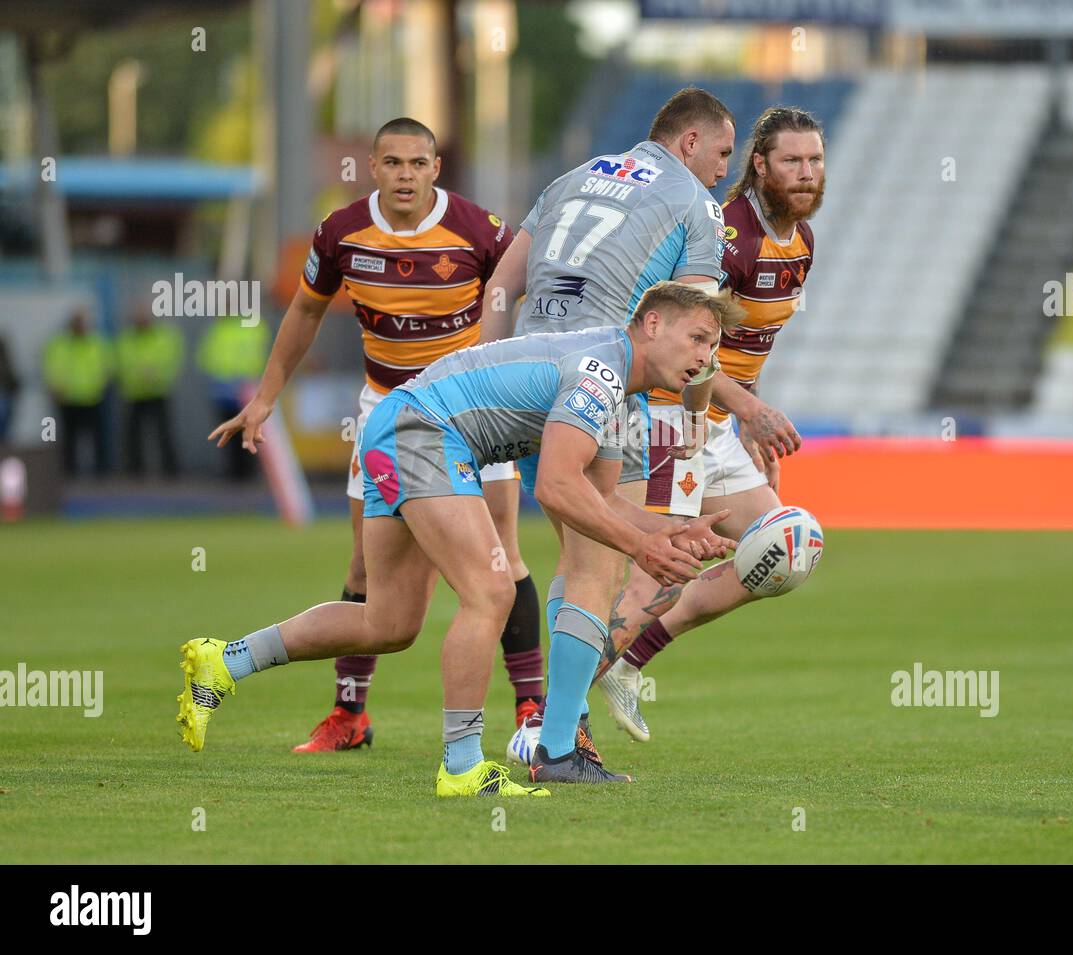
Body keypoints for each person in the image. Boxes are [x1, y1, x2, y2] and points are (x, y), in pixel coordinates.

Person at [176, 282, 739, 798]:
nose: (704, 358)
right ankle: (463, 766)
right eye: (697, 339)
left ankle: (224, 662)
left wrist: (668, 530)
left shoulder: (625, 398)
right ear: (652, 325)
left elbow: (602, 501)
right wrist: (641, 548)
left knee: (388, 624)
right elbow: (557, 484)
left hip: (399, 428)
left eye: (712, 347)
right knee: (492, 592)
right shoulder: (602, 374)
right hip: (423, 432)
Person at [480, 88, 801, 780]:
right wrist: (693, 421)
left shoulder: (572, 176)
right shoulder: (696, 205)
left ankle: (560, 730)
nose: (723, 170)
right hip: (601, 373)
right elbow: (691, 335)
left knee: (574, 556)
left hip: (524, 368)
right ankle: (556, 742)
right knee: (599, 568)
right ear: (689, 143)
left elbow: (502, 283)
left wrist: (487, 358)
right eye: (721, 153)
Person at [210, 118, 546, 752]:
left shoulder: (479, 229)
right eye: (393, 163)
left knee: (502, 555)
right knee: (366, 571)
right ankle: (349, 716)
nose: (405, 176)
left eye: (417, 163)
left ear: (435, 168)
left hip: (472, 413)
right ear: (373, 167)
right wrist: (266, 397)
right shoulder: (341, 232)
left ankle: (533, 712)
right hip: (385, 416)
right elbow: (306, 309)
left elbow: (529, 295)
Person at [596, 106, 826, 740]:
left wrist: (751, 421)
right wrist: (750, 409)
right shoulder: (727, 237)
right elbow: (685, 345)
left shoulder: (800, 243)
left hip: (721, 425)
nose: (805, 173)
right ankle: (551, 717)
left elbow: (748, 350)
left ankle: (626, 668)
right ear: (760, 165)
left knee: (784, 548)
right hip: (673, 419)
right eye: (790, 161)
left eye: (814, 160)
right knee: (652, 579)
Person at [197, 315, 270, 481]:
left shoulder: (251, 327)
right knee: (228, 433)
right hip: (224, 390)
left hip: (246, 391)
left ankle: (247, 472)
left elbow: (258, 356)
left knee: (248, 431)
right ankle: (234, 472)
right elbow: (206, 357)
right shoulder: (217, 329)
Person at [42, 312, 113, 477]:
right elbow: (50, 367)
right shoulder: (59, 345)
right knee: (69, 441)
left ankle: (102, 475)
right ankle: (69, 474)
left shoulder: (97, 343)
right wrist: (55, 387)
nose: (80, 327)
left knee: (98, 440)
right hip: (68, 399)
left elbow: (108, 367)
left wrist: (100, 385)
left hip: (93, 398)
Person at [117, 312, 183, 477]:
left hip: (158, 391)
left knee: (164, 434)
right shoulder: (127, 339)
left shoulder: (163, 337)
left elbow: (171, 360)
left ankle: (171, 471)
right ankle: (134, 471)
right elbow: (120, 363)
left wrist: (156, 375)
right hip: (135, 393)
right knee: (133, 437)